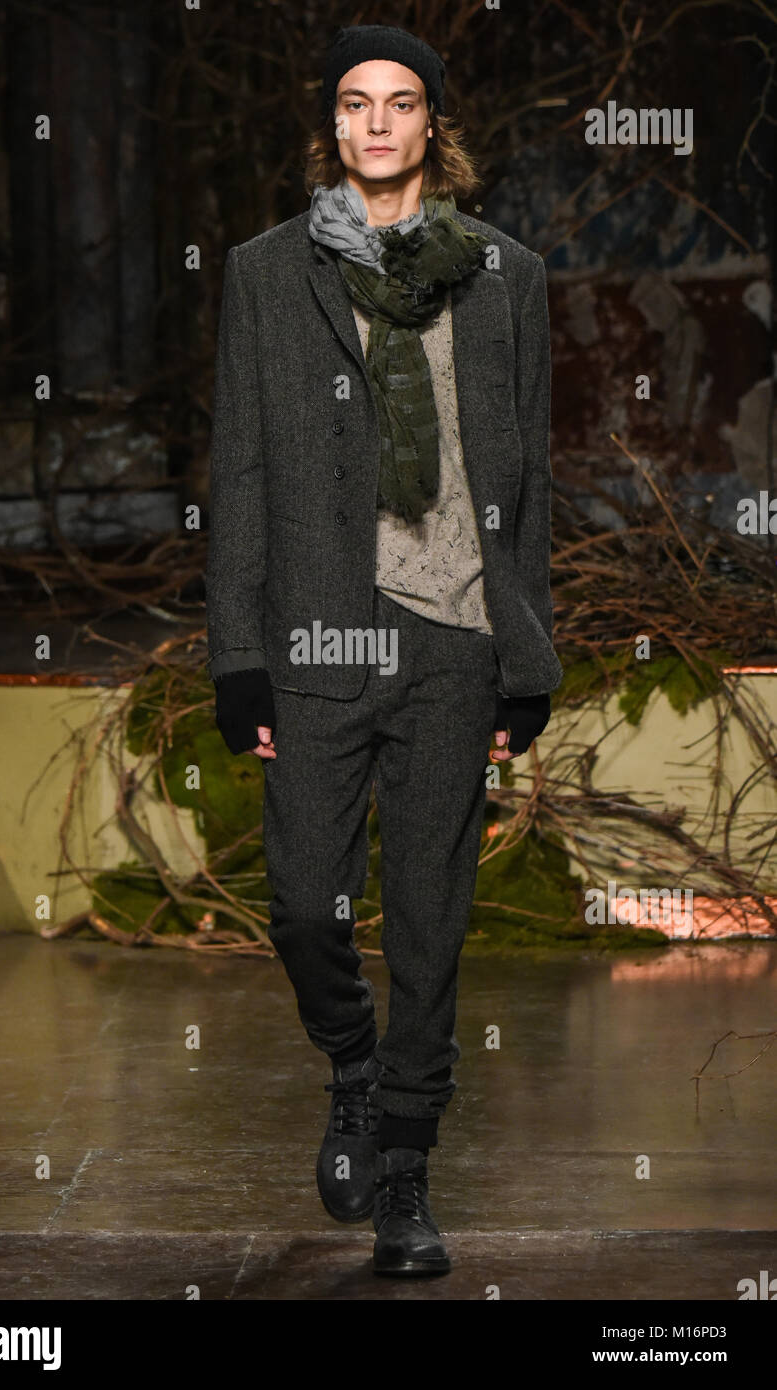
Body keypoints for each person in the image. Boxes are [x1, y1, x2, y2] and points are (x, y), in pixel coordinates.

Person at [205, 23, 563, 1276]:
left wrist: (530, 656)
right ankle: (351, 1060)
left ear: (431, 128)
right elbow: (239, 471)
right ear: (333, 125)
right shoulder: (264, 273)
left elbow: (531, 474)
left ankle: (406, 1171)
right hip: (316, 629)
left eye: (399, 104)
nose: (376, 124)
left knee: (429, 921)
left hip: (459, 631)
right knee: (308, 904)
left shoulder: (507, 275)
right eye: (355, 104)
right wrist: (236, 655)